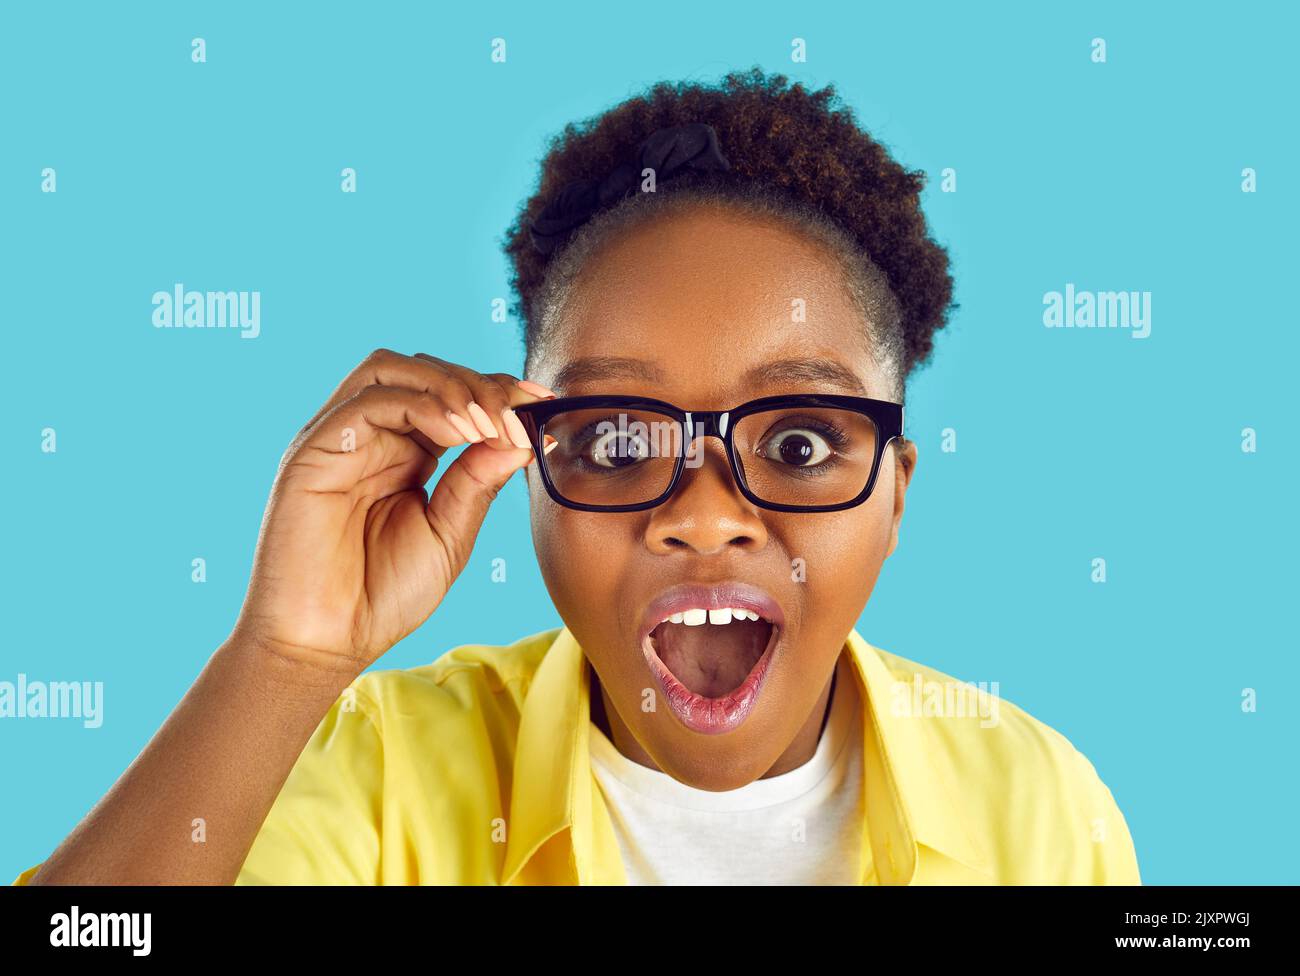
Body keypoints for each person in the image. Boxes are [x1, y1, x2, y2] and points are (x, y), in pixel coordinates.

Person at [14, 67, 1139, 886]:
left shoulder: (1040, 812)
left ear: (895, 492)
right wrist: (281, 657)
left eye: (797, 444)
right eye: (613, 440)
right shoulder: (382, 771)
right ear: (522, 464)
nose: (704, 514)